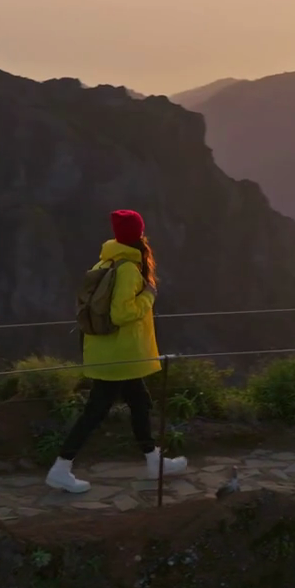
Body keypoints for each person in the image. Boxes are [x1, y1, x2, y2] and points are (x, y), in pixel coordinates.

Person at [46, 209, 189, 493]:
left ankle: (153, 461)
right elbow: (121, 313)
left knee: (139, 402)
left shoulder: (105, 261)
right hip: (120, 354)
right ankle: (61, 468)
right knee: (96, 411)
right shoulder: (127, 269)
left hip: (109, 352)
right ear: (138, 233)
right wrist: (148, 296)